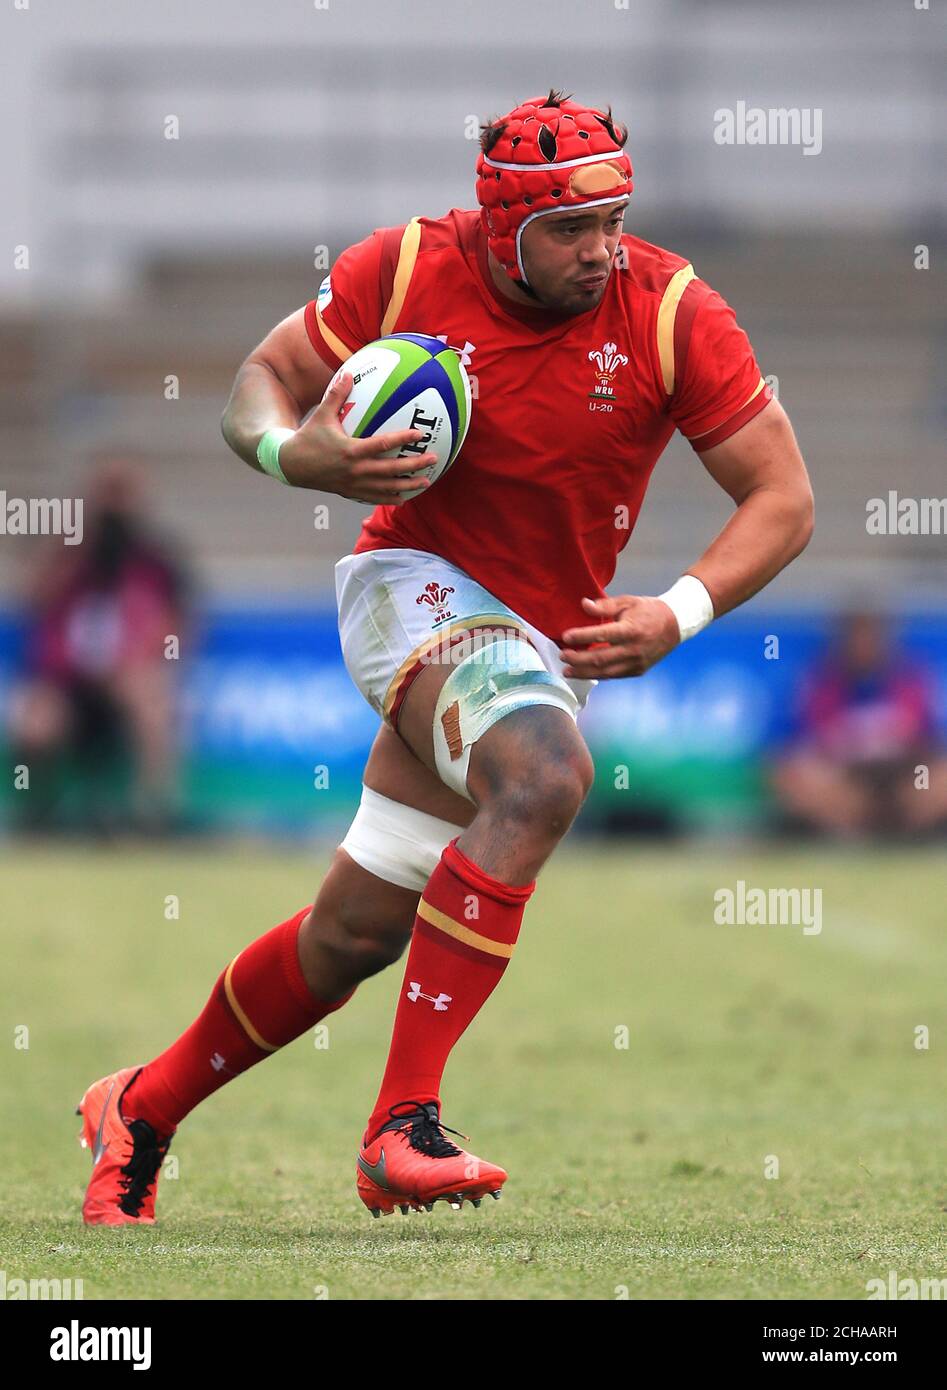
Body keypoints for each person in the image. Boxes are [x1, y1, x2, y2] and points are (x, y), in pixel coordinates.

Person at [76, 91, 813, 1225]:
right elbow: (252, 389)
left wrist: (675, 612)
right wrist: (296, 453)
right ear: (501, 220)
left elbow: (783, 496)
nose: (599, 248)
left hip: (537, 642)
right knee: (547, 776)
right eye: (570, 230)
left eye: (613, 220)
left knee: (352, 936)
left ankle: (140, 1106)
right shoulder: (407, 264)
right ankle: (398, 1128)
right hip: (404, 590)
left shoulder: (669, 310)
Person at [8, 454, 189, 834]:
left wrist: (137, 660)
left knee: (152, 703)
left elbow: (178, 626)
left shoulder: (156, 559)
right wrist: (77, 549)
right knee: (35, 717)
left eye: (121, 492)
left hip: (125, 677)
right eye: (107, 492)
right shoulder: (68, 551)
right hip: (64, 680)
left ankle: (152, 816)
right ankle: (40, 813)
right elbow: (35, 601)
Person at [770, 611, 947, 838]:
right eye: (857, 639)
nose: (864, 647)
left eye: (871, 638)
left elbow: (928, 740)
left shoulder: (909, 681)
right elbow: (805, 745)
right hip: (846, 778)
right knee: (793, 774)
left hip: (905, 776)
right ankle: (855, 832)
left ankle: (911, 833)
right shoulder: (823, 684)